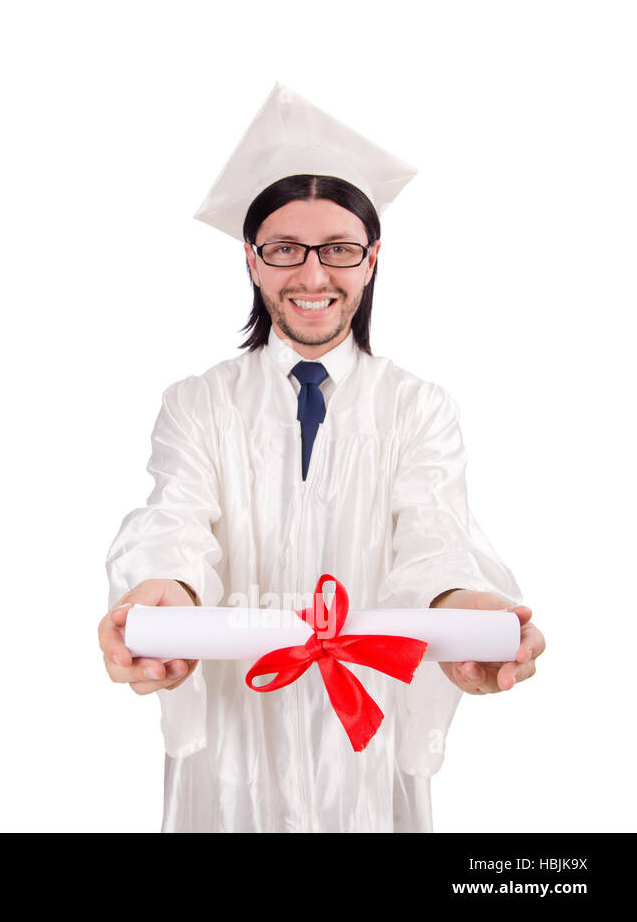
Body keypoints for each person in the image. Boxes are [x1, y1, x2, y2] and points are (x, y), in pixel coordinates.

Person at [98, 83, 545, 832]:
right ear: (252, 258)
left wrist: (464, 613)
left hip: (361, 753)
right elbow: (173, 517)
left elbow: (434, 535)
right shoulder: (198, 403)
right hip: (235, 749)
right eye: (285, 250)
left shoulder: (417, 407)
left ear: (371, 259)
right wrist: (160, 595)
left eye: (338, 249)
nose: (312, 276)